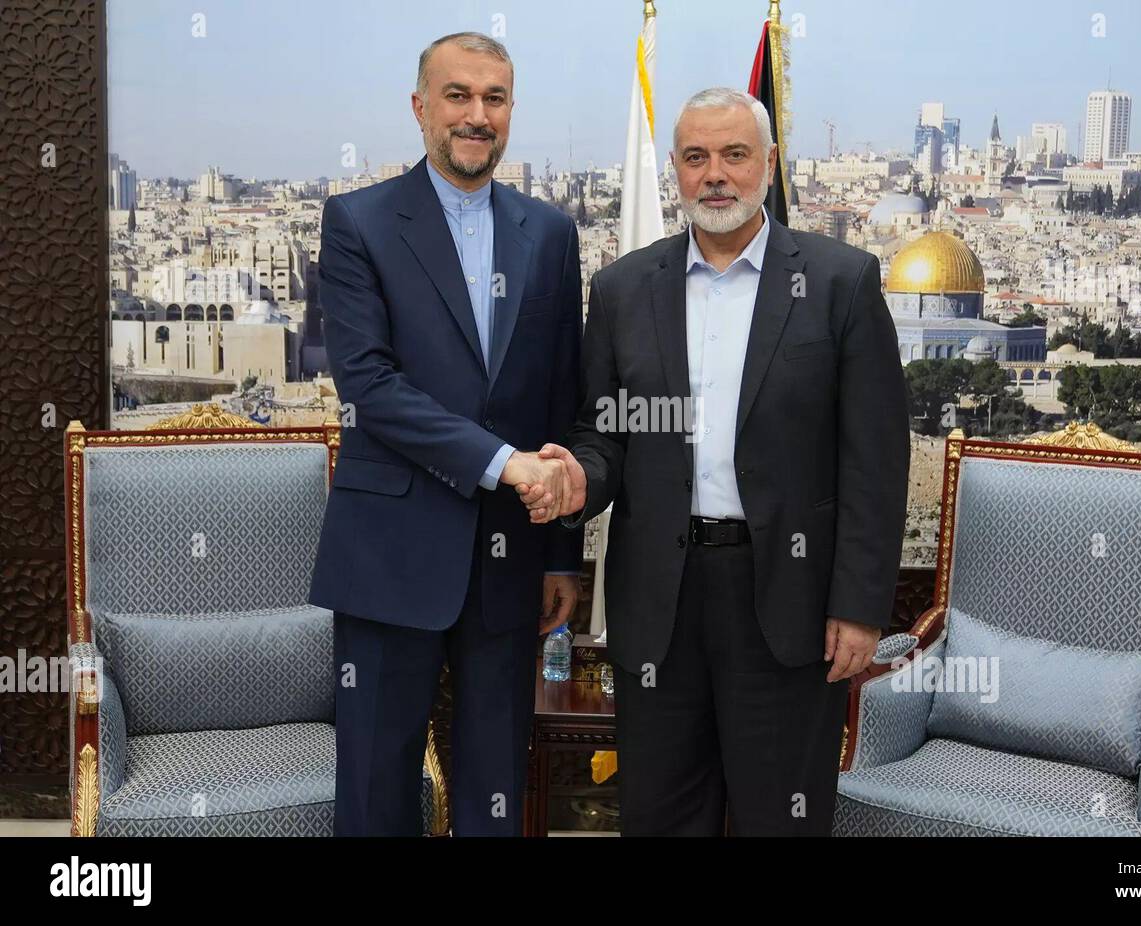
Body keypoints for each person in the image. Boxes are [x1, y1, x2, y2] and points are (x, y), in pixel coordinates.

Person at [524, 87, 910, 835]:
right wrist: (574, 478)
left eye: (735, 154)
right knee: (660, 816)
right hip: (659, 604)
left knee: (782, 820)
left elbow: (875, 461)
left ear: (768, 163)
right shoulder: (623, 289)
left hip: (791, 606)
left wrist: (860, 607)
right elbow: (605, 436)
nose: (716, 175)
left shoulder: (842, 283)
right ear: (675, 168)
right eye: (696, 157)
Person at [309, 32, 582, 836]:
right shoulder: (358, 220)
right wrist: (504, 465)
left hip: (511, 559)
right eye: (458, 96)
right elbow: (369, 386)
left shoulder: (551, 231)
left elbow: (559, 394)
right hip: (390, 547)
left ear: (510, 112)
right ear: (421, 106)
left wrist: (562, 550)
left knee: (497, 777)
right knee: (374, 785)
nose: (476, 115)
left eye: (493, 98)